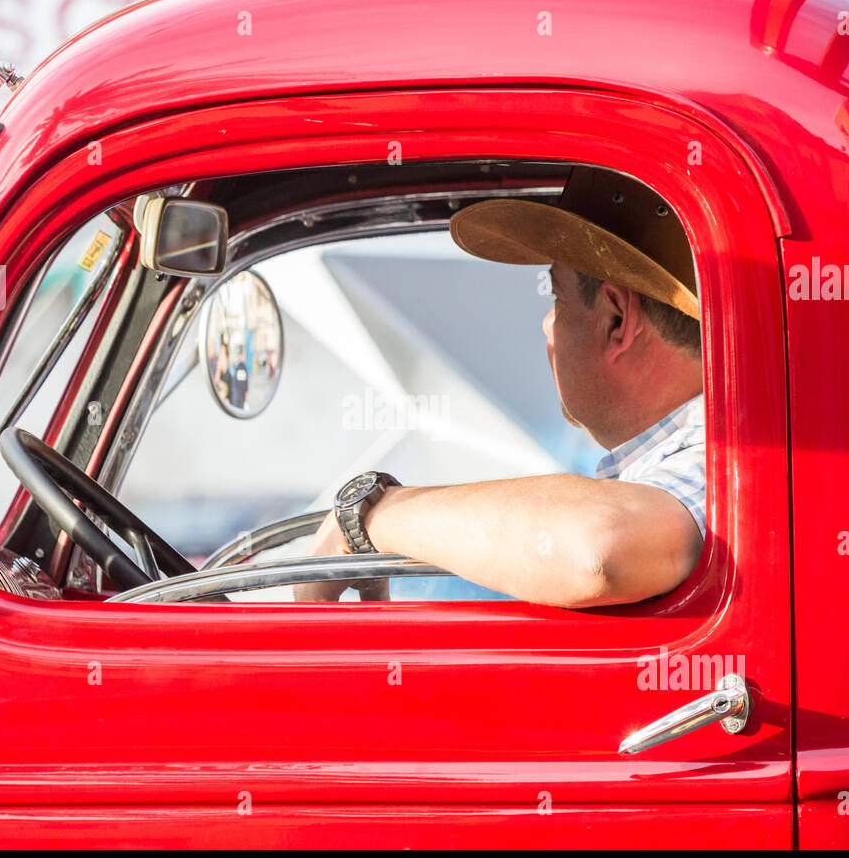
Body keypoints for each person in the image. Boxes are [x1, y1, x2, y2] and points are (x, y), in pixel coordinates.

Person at [294, 166, 705, 608]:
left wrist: (370, 514)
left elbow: (600, 550)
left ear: (616, 319)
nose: (548, 324)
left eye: (557, 296)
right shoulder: (706, 464)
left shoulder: (713, 457)